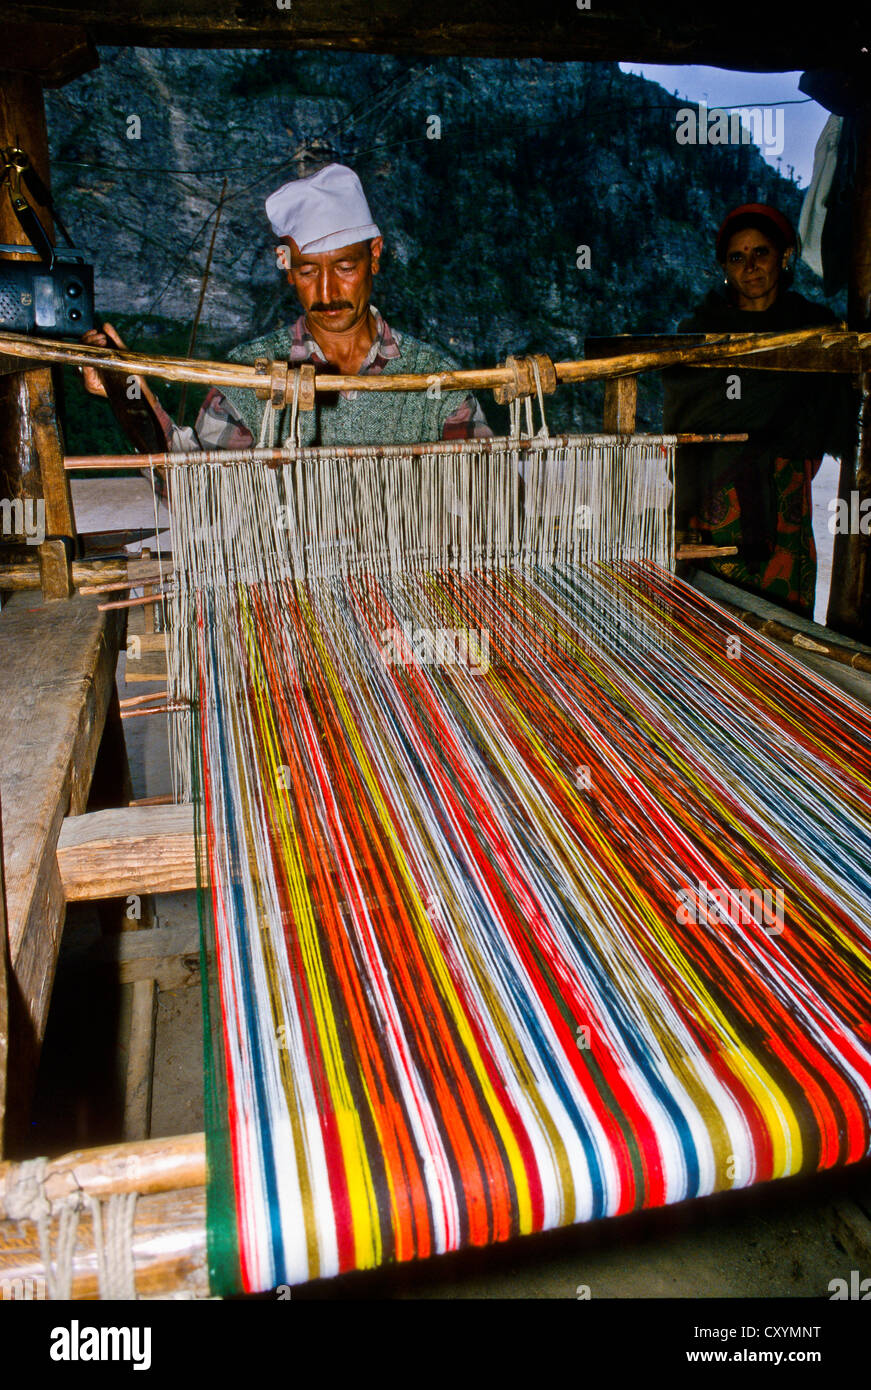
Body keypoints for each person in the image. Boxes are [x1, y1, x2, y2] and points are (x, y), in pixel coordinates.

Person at [82, 162, 491, 458]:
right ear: (289, 271)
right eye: (309, 271)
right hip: (290, 578)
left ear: (375, 255)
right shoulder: (248, 378)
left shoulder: (435, 381)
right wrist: (130, 392)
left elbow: (497, 494)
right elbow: (193, 491)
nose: (327, 291)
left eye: (346, 267)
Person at [662, 203, 856, 618]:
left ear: (784, 256)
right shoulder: (699, 332)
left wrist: (779, 452)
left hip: (785, 499)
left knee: (780, 631)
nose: (750, 266)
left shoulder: (812, 329)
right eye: (737, 257)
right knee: (713, 618)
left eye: (761, 253)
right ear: (724, 268)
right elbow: (686, 413)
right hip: (714, 493)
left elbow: (825, 415)